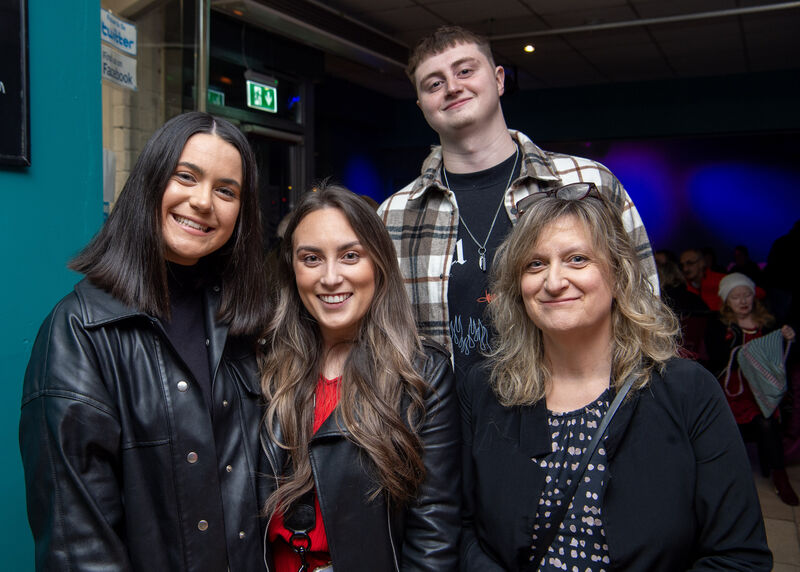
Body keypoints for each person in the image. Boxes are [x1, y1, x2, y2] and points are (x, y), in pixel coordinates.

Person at [460, 184, 771, 570]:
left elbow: (740, 558)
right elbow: (466, 530)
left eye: (576, 259)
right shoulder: (487, 389)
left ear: (619, 274)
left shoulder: (688, 390)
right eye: (535, 264)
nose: (553, 281)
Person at [19, 112, 270, 571]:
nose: (202, 202)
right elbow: (78, 546)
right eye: (186, 177)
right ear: (151, 182)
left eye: (226, 190)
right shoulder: (81, 331)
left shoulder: (246, 325)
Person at [378, 25, 658, 379]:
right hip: (446, 427)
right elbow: (383, 338)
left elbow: (644, 301)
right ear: (422, 106)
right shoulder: (394, 215)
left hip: (573, 419)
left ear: (498, 80)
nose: (452, 87)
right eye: (434, 84)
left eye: (465, 71)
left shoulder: (588, 182)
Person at [258, 184, 460, 571]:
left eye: (350, 256)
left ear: (379, 264)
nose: (331, 277)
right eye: (311, 258)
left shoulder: (422, 374)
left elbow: (434, 532)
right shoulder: (263, 363)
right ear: (292, 269)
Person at [705, 272, 798, 505]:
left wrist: (789, 339)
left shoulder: (768, 322)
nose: (743, 301)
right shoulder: (719, 325)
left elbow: (783, 360)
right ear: (727, 301)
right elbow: (716, 360)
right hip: (733, 390)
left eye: (747, 295)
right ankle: (722, 481)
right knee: (720, 425)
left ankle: (780, 477)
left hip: (761, 390)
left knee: (767, 421)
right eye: (736, 297)